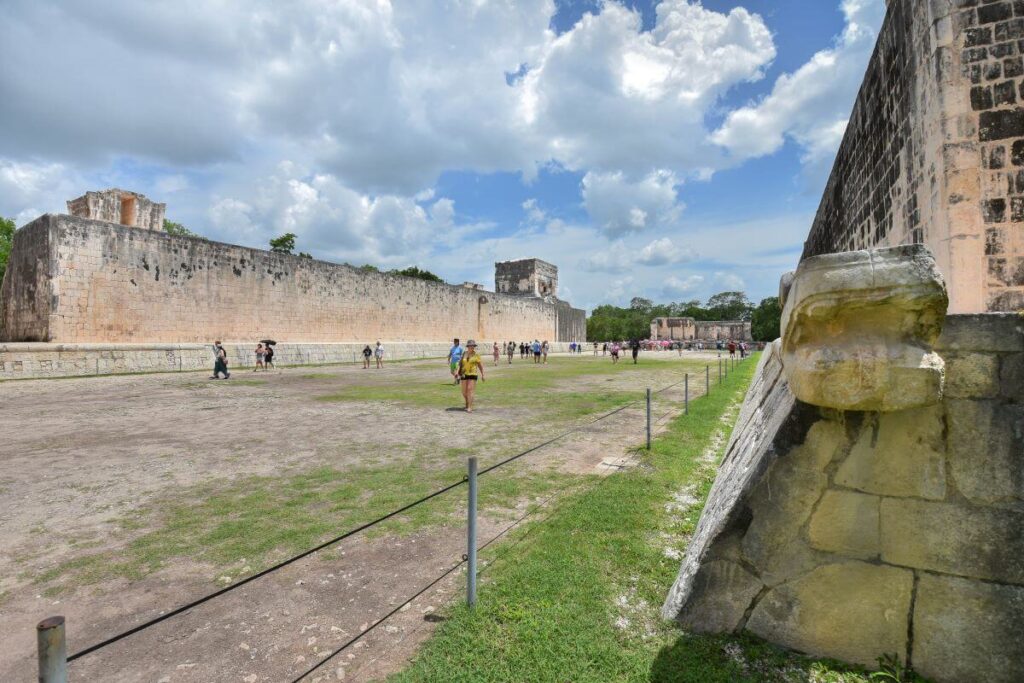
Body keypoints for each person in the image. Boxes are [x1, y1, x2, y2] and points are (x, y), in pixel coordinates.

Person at [458, 339, 485, 412]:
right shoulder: (464, 354)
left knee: (470, 390)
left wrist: (483, 374)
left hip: (473, 374)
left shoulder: (476, 355)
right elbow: (460, 364)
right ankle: (467, 402)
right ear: (468, 346)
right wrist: (458, 372)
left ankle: (469, 406)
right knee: (464, 391)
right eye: (470, 346)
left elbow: (480, 366)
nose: (472, 347)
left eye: (473, 346)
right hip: (464, 374)